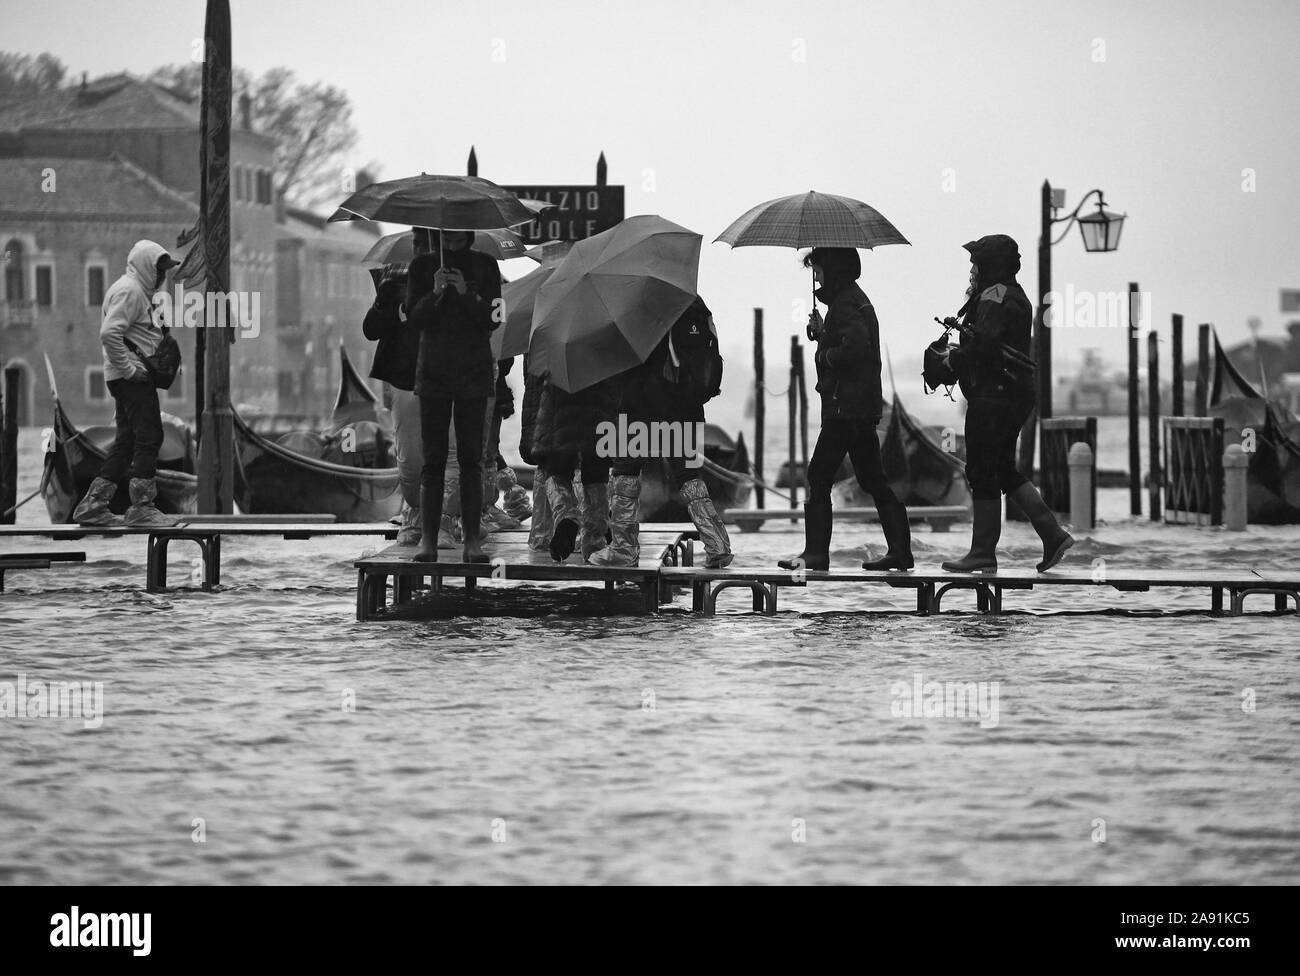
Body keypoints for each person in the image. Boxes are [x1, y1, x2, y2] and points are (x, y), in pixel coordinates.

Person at [940, 234, 1073, 573]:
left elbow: (984, 347)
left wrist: (951, 362)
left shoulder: (996, 296)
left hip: (994, 396)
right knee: (1002, 470)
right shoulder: (1009, 294)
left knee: (982, 471)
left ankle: (983, 552)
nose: (971, 270)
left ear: (990, 266)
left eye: (976, 264)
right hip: (1010, 394)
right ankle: (1052, 534)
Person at [777, 248, 912, 572]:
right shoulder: (850, 301)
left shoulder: (846, 304)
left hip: (846, 408)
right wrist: (822, 331)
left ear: (834, 271)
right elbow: (849, 340)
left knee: (819, 474)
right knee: (872, 479)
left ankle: (816, 554)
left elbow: (856, 347)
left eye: (820, 271)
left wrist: (824, 355)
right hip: (858, 406)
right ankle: (900, 552)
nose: (817, 278)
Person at [589, 295, 733, 569]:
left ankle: (623, 549)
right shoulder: (694, 303)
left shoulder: (639, 301)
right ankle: (718, 545)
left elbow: (624, 356)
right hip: (686, 406)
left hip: (642, 404)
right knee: (688, 475)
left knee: (625, 473)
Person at [407, 229, 502, 563]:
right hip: (433, 372)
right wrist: (434, 293)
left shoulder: (485, 266)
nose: (452, 236)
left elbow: (494, 318)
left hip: (473, 372)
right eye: (446, 231)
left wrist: (465, 293)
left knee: (471, 459)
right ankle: (428, 540)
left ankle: (472, 541)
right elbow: (413, 318)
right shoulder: (422, 267)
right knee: (432, 460)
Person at [73, 240, 180, 527]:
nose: (162, 276)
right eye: (160, 270)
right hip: (131, 379)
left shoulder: (139, 292)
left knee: (127, 440)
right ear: (147, 267)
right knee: (151, 436)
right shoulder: (130, 291)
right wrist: (131, 370)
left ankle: (93, 504)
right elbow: (109, 334)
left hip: (126, 377)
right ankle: (141, 507)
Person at [362, 252, 423, 545]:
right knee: (410, 457)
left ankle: (446, 520)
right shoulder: (393, 285)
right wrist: (396, 311)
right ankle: (415, 513)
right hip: (405, 380)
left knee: (447, 456)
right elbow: (370, 329)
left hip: (447, 379)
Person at [530, 375, 618, 562]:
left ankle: (566, 516)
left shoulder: (554, 349)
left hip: (561, 405)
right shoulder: (608, 350)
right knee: (596, 475)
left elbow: (535, 381)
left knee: (556, 471)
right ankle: (594, 543)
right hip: (600, 408)